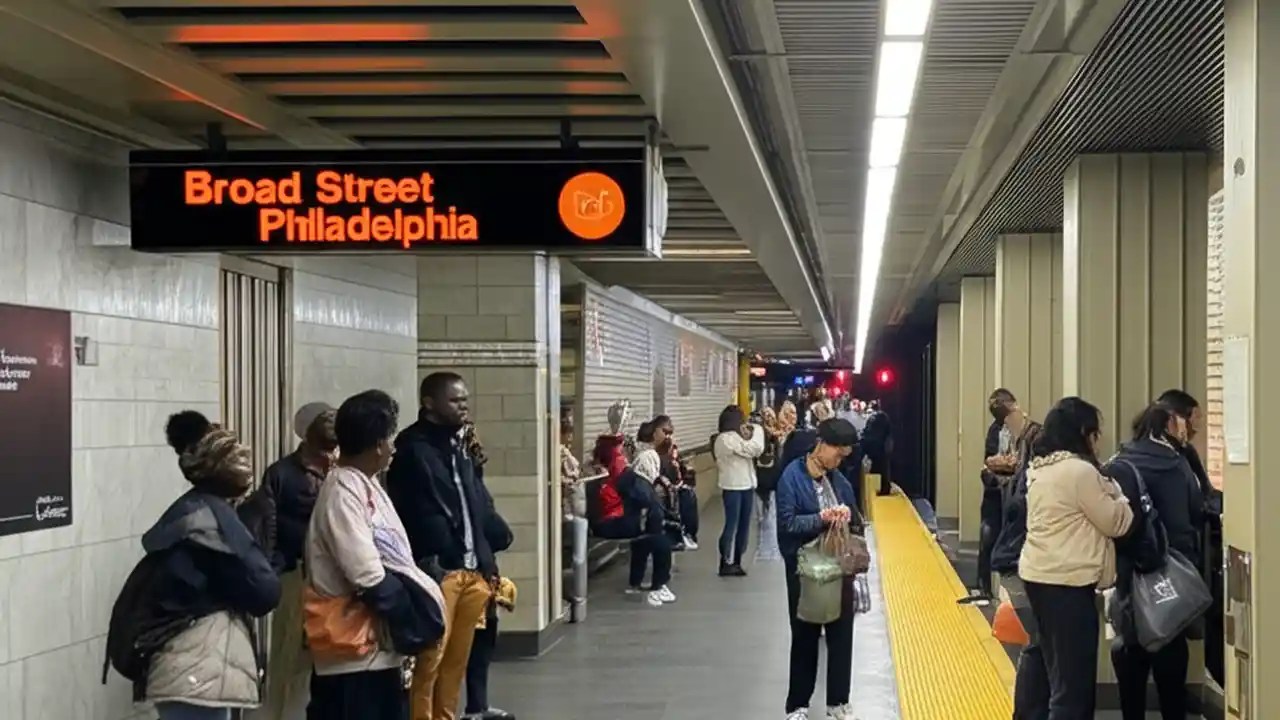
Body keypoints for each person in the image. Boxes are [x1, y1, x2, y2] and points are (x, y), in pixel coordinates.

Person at [305, 390, 445, 720]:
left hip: (377, 656)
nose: (393, 448)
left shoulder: (365, 483)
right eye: (390, 439)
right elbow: (367, 575)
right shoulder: (341, 491)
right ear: (379, 444)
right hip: (352, 661)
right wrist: (412, 620)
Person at [386, 373, 511, 720]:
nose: (464, 406)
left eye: (465, 400)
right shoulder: (412, 450)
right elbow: (408, 512)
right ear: (429, 403)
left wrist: (486, 560)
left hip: (473, 570)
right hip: (438, 570)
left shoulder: (461, 447)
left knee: (457, 661)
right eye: (455, 400)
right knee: (429, 662)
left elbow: (474, 506)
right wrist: (427, 559)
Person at [143, 426, 281, 720]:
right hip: (198, 670)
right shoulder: (212, 523)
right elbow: (264, 591)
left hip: (189, 664)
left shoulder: (190, 512)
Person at [1019, 397, 1134, 720]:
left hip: (1039, 576)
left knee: (1045, 662)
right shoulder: (1080, 472)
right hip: (1068, 583)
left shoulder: (1042, 467)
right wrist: (1119, 495)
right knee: (1072, 687)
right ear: (1084, 432)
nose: (1099, 441)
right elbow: (1117, 521)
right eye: (1096, 433)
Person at [1104, 403, 1204, 720]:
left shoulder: (1119, 462)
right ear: (1170, 426)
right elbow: (1189, 517)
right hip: (1169, 576)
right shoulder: (1176, 464)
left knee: (1130, 652)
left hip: (1128, 575)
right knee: (1170, 663)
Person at [241, 402, 338, 720]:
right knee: (287, 657)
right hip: (295, 574)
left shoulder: (342, 470)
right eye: (324, 421)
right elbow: (266, 525)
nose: (332, 426)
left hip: (336, 577)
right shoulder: (282, 473)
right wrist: (272, 570)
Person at [776, 419, 861, 720]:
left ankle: (838, 701)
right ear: (821, 444)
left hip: (838, 568)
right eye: (838, 454)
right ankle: (798, 704)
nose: (839, 461)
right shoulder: (791, 478)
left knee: (841, 633)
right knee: (805, 634)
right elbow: (786, 524)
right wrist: (821, 518)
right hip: (804, 569)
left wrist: (847, 514)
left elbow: (856, 517)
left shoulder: (838, 480)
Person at [1156, 388, 1224, 688]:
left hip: (1195, 560)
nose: (1198, 426)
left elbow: (1206, 494)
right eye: (1195, 418)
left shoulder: (1186, 455)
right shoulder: (1162, 460)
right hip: (1172, 564)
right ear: (1176, 420)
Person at [989, 404, 1047, 719]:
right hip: (1024, 566)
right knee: (1037, 643)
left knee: (1034, 644)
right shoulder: (1042, 480)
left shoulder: (1029, 476)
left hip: (1013, 562)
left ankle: (1026, 712)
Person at [461, 423, 517, 720]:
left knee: (484, 636)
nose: (479, 450)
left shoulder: (472, 478)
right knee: (471, 640)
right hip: (465, 572)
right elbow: (484, 518)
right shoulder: (462, 478)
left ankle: (477, 704)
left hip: (483, 567)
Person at [975, 389, 1019, 602]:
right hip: (996, 493)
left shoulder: (1018, 430)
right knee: (989, 536)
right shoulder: (997, 430)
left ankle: (993, 585)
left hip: (1004, 492)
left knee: (994, 535)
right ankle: (984, 584)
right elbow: (990, 463)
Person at [712, 405, 766, 576]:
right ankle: (726, 561)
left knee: (743, 526)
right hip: (732, 486)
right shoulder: (724, 439)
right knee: (732, 525)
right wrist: (757, 429)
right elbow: (754, 449)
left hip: (746, 485)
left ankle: (737, 560)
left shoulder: (736, 438)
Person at [860, 401, 893, 495]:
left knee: (876, 468)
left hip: (874, 447)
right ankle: (884, 488)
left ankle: (877, 488)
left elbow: (867, 431)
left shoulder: (873, 418)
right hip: (881, 447)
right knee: (883, 468)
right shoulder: (884, 417)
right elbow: (888, 432)